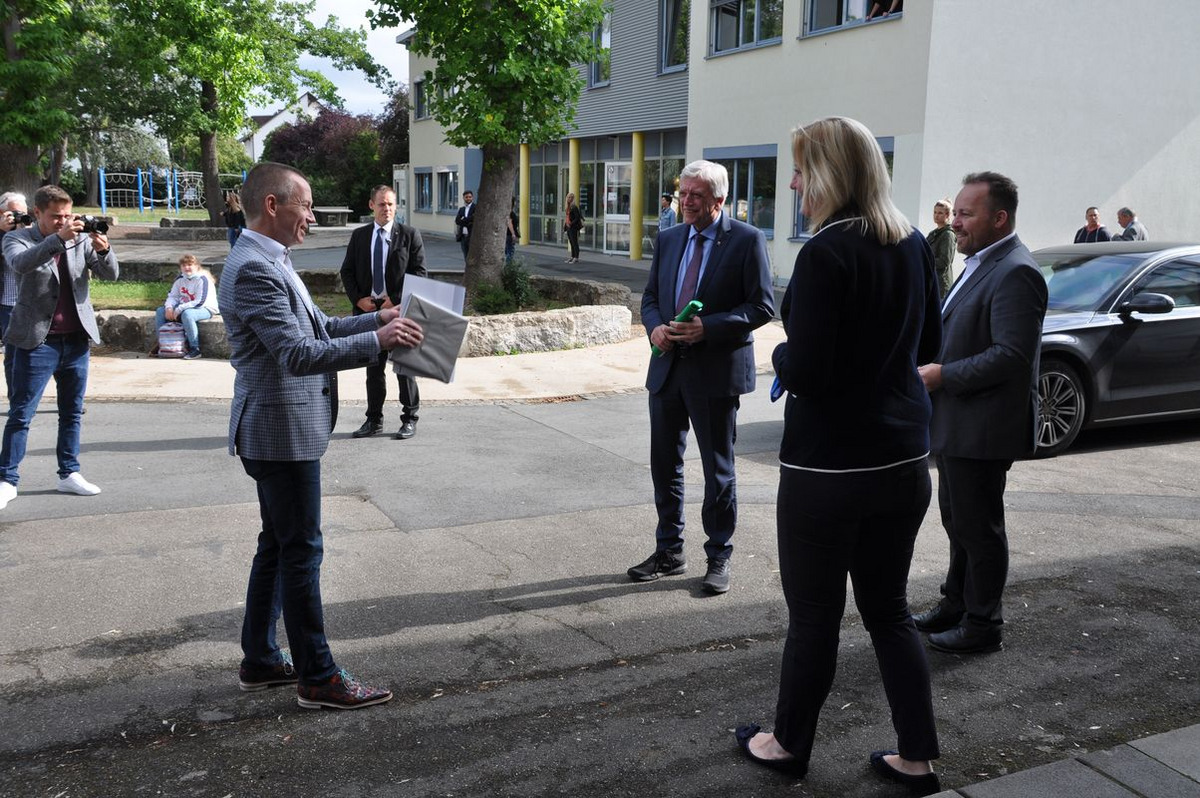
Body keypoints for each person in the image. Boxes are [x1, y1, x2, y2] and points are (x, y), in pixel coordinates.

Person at [733, 117, 942, 795]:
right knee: (889, 611)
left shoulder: (825, 254)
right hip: (903, 463)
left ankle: (787, 744)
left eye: (799, 168)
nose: (792, 182)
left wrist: (782, 354)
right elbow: (928, 342)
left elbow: (811, 370)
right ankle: (917, 756)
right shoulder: (912, 243)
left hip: (828, 471)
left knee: (816, 617)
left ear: (827, 174)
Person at [220, 162, 424, 709]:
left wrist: (382, 320)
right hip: (279, 432)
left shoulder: (268, 257)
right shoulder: (256, 269)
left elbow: (322, 329)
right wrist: (380, 342)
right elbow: (298, 354)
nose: (312, 216)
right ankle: (318, 676)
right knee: (301, 551)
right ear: (272, 205)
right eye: (305, 206)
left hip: (279, 429)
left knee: (277, 545)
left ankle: (261, 659)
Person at [913, 172, 1048, 655]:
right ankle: (956, 603)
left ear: (999, 217)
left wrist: (942, 375)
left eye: (967, 214)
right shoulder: (980, 261)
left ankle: (983, 624)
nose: (957, 223)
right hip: (959, 422)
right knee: (958, 521)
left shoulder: (1016, 271)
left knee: (979, 527)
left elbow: (1012, 356)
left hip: (983, 427)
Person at [629, 160, 775, 594]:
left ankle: (719, 556)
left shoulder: (747, 240)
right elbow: (651, 296)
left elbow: (762, 306)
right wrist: (653, 325)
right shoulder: (670, 237)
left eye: (696, 195)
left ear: (720, 200)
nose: (685, 202)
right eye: (682, 193)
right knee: (665, 466)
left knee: (717, 470)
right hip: (667, 368)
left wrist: (707, 327)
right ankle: (669, 551)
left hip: (714, 373)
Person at [0, 184, 119, 509]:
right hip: (36, 340)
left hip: (76, 339)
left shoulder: (80, 238)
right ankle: (6, 479)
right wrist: (59, 238)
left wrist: (105, 249)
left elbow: (111, 275)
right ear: (37, 213)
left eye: (67, 215)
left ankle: (69, 473)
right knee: (21, 414)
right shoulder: (17, 238)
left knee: (72, 413)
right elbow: (21, 264)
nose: (63, 221)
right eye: (55, 217)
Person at [340, 185, 428, 440]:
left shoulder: (409, 235)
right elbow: (347, 271)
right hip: (369, 314)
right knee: (373, 369)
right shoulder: (359, 236)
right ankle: (373, 420)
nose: (386, 209)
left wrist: (395, 299)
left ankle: (409, 418)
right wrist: (359, 300)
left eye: (390, 204)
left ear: (395, 206)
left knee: (404, 367)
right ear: (371, 205)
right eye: (381, 204)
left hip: (400, 311)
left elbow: (420, 273)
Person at [155, 254, 219, 360]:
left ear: (197, 266)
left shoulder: (203, 280)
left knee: (187, 314)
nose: (187, 268)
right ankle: (163, 344)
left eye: (190, 265)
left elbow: (200, 302)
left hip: (206, 308)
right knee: (160, 311)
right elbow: (173, 296)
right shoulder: (180, 279)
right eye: (184, 265)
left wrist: (179, 309)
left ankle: (194, 348)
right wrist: (169, 308)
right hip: (185, 306)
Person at [0, 191, 30, 399]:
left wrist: (26, 232)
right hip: (8, 303)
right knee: (13, 355)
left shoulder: (35, 231)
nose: (19, 217)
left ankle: (68, 398)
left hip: (37, 302)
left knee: (53, 353)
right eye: (14, 213)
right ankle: (16, 400)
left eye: (23, 213)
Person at [926, 198, 956, 298]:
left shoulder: (948, 235)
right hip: (931, 280)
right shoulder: (933, 234)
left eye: (940, 213)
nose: (936, 215)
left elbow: (944, 261)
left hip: (941, 285)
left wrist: (925, 262)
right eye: (935, 212)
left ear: (947, 215)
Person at [454, 190, 475, 262]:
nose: (468, 198)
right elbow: (457, 221)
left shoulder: (476, 208)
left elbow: (474, 219)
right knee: (465, 255)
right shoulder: (461, 209)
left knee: (472, 256)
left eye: (470, 197)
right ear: (463, 198)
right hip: (463, 236)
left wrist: (463, 219)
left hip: (472, 236)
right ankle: (467, 270)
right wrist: (467, 221)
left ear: (472, 198)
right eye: (466, 197)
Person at [563, 192, 583, 263]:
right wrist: (565, 225)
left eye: (571, 197)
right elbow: (567, 217)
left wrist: (571, 224)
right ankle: (572, 256)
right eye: (568, 197)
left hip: (573, 227)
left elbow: (577, 218)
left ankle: (576, 257)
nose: (569, 198)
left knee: (574, 242)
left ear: (573, 199)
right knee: (571, 242)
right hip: (568, 227)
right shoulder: (568, 207)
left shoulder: (574, 207)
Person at [506, 197, 520, 265]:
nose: (515, 203)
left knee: (508, 251)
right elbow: (509, 223)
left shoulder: (508, 212)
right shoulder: (510, 213)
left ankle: (508, 266)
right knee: (510, 251)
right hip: (509, 235)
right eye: (515, 202)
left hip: (508, 235)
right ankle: (508, 267)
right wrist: (513, 234)